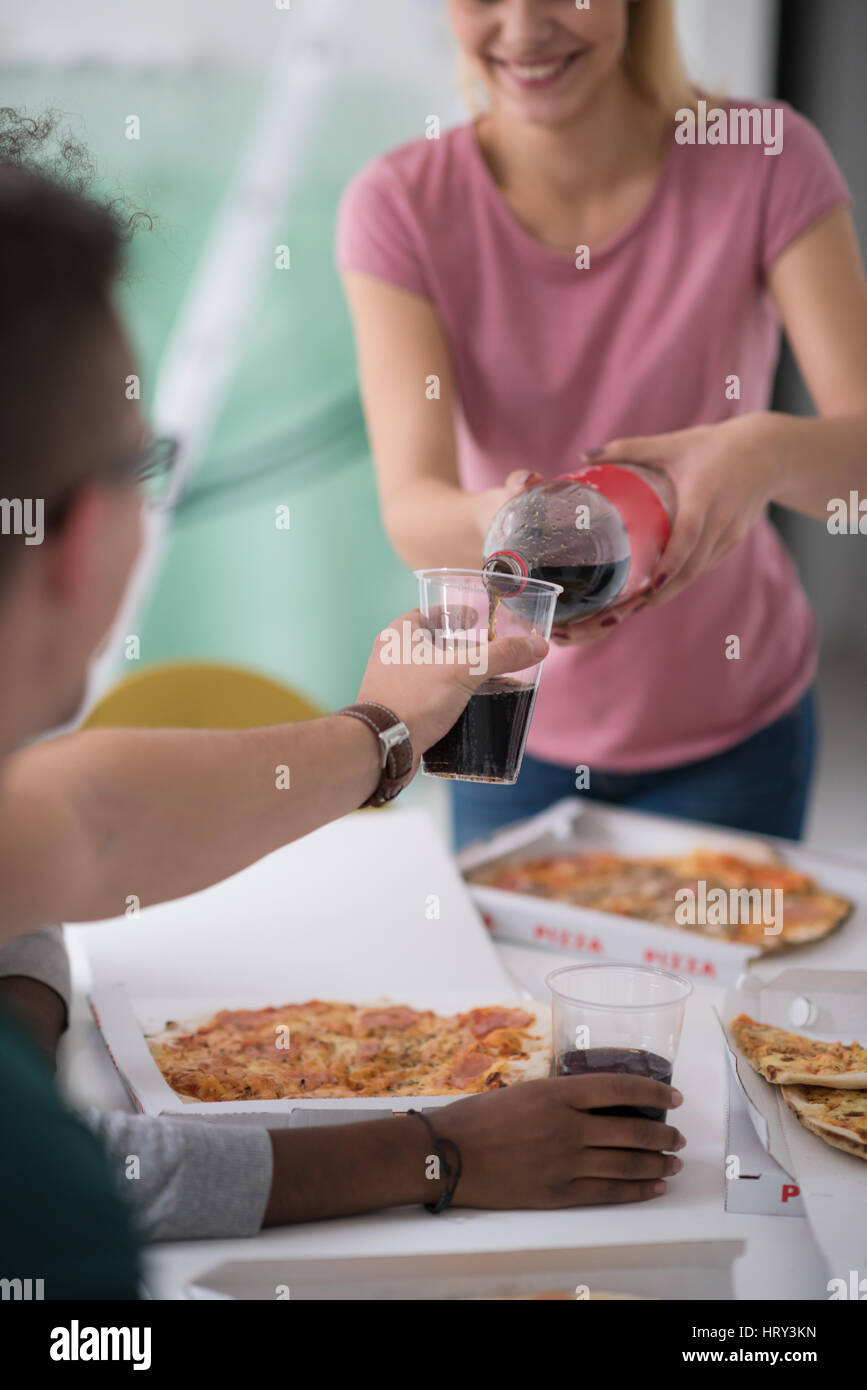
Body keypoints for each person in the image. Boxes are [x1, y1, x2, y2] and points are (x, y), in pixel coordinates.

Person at [0, 115, 684, 1297]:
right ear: (83, 537)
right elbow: (95, 1176)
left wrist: (379, 731)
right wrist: (441, 1148)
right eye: (140, 464)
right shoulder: (49, 1221)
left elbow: (73, 829)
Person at [337, 0, 867, 850]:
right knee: (508, 991)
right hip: (510, 725)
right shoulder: (399, 203)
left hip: (733, 728)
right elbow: (411, 504)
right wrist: (502, 524)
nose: (522, 28)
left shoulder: (763, 157)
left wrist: (760, 450)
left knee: (720, 985)